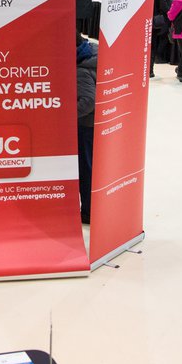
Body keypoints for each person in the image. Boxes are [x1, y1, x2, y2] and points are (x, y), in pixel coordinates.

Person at [76, 34, 98, 223]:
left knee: (86, 169)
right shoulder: (95, 55)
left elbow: (88, 101)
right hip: (98, 123)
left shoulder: (81, 69)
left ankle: (89, 212)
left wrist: (64, 115)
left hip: (85, 125)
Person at [151, 0, 173, 73]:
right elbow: (163, 5)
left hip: (152, 17)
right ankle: (151, 68)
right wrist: (170, 13)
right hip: (160, 18)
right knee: (157, 42)